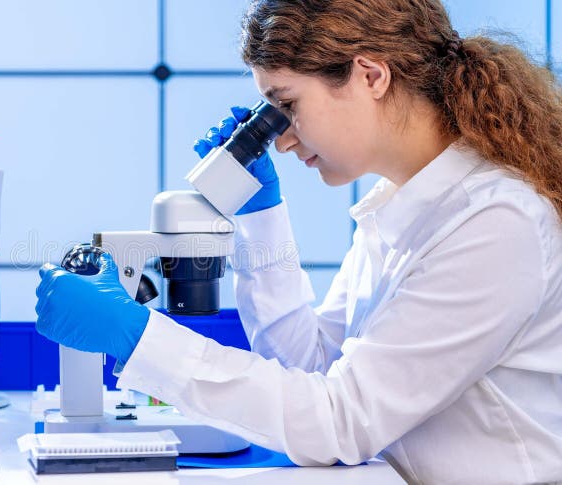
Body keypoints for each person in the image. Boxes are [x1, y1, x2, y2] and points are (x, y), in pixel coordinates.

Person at [34, 0, 562, 482]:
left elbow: (340, 423)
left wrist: (138, 336)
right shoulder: (399, 207)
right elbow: (310, 366)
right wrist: (261, 215)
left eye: (287, 105)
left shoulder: (495, 221)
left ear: (370, 75)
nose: (282, 139)